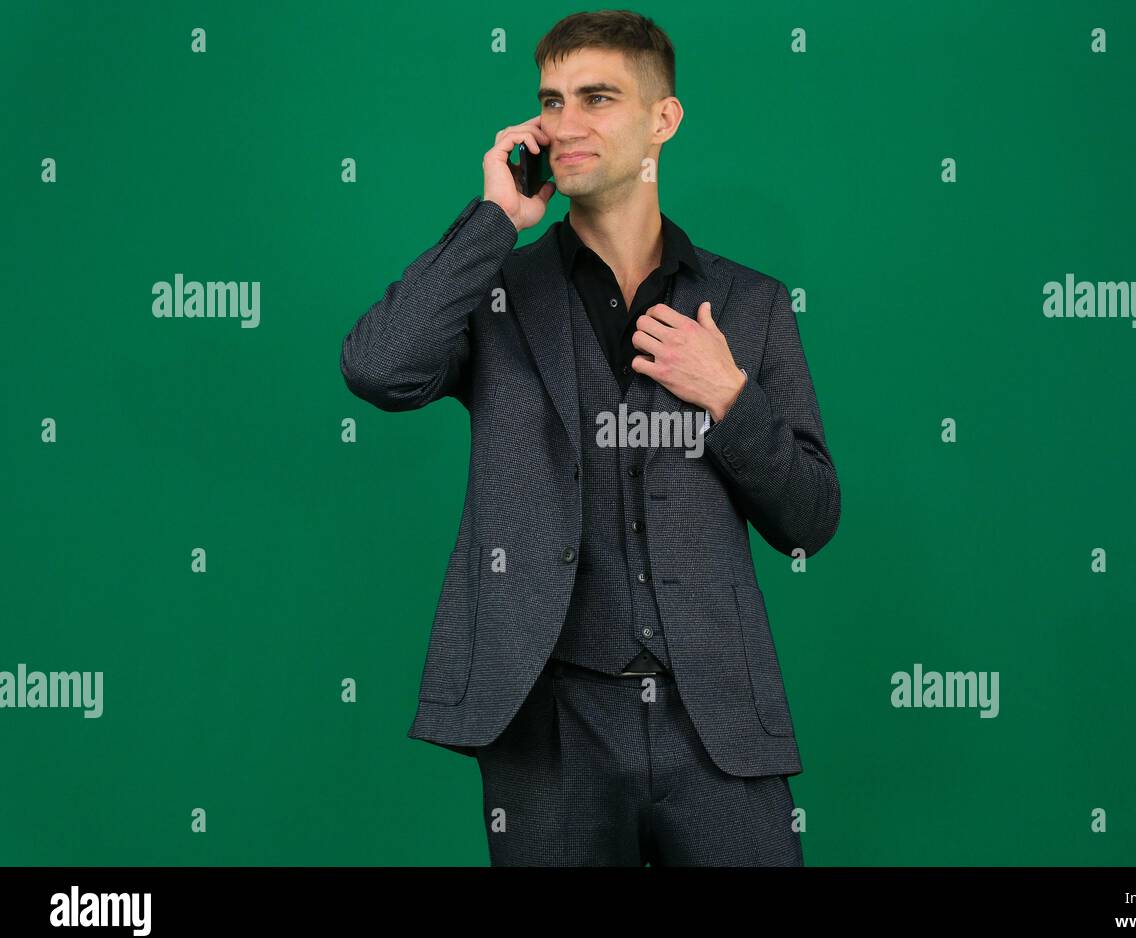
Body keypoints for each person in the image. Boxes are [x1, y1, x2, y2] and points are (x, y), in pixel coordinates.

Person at [340, 10, 839, 866]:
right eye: (551, 101)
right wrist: (494, 218)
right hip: (549, 722)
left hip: (717, 712)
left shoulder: (751, 304)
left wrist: (729, 396)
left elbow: (811, 518)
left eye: (597, 98)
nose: (564, 125)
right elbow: (379, 369)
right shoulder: (496, 292)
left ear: (663, 120)